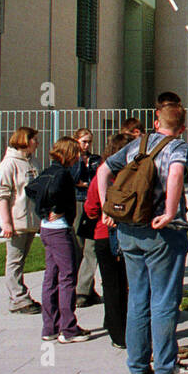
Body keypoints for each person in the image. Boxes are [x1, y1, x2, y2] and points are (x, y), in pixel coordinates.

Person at [98, 102, 188, 374]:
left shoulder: (135, 145)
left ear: (155, 123)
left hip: (129, 229)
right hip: (161, 231)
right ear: (182, 128)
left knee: (138, 296)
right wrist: (169, 211)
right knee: (165, 299)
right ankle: (166, 365)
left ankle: (137, 363)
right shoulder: (177, 146)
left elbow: (103, 170)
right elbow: (177, 174)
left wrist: (109, 207)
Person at [38, 136, 89, 344]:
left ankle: (50, 326)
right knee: (67, 276)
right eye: (75, 152)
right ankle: (68, 328)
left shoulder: (48, 171)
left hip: (46, 229)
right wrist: (55, 210)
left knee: (51, 276)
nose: (78, 156)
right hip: (59, 230)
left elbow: (32, 189)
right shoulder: (63, 175)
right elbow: (55, 194)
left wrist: (42, 211)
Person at [85, 132, 130, 349]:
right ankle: (125, 328)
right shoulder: (130, 175)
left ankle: (116, 331)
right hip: (127, 233)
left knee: (112, 286)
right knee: (127, 285)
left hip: (103, 234)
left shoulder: (100, 176)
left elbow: (90, 208)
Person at [0, 126, 41, 315]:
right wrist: (6, 222)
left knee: (21, 260)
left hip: (31, 220)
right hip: (17, 219)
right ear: (25, 140)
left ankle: (19, 296)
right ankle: (18, 298)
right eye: (34, 139)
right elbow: (2, 194)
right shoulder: (9, 164)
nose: (37, 143)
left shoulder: (32, 162)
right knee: (14, 260)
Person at [72, 127, 104, 307]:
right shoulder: (72, 160)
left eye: (89, 141)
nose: (86, 145)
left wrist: (85, 183)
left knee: (91, 248)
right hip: (77, 202)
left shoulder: (95, 160)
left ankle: (82, 290)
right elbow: (73, 180)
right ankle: (85, 287)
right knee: (78, 247)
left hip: (91, 202)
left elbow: (97, 180)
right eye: (83, 141)